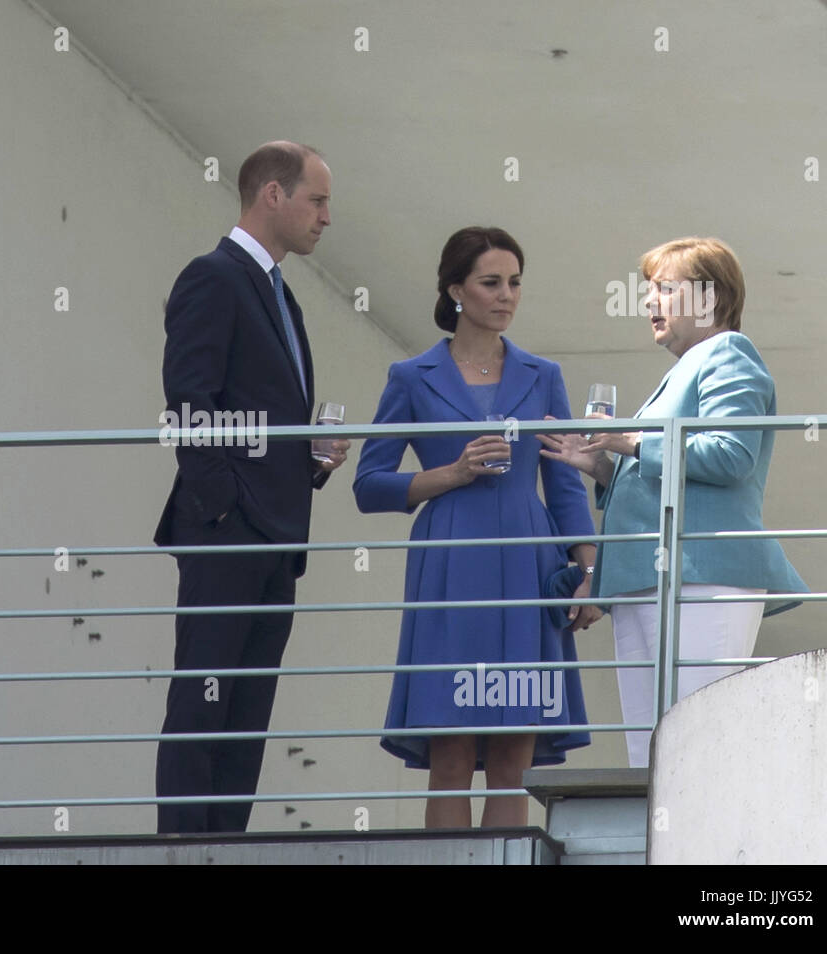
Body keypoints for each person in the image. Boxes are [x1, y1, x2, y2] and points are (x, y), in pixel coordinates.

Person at [353, 227, 599, 829]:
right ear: (456, 289)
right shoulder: (411, 376)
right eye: (492, 282)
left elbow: (565, 483)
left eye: (515, 282)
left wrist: (592, 572)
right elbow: (369, 482)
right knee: (451, 745)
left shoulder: (544, 375)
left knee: (515, 750)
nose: (506, 295)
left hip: (529, 561)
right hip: (450, 559)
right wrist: (453, 472)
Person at [538, 237, 808, 768]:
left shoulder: (729, 351)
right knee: (649, 752)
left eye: (665, 289)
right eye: (649, 291)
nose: (649, 303)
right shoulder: (683, 369)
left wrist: (631, 441)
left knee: (699, 740)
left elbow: (732, 455)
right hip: (645, 576)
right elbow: (670, 466)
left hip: (702, 572)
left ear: (708, 299)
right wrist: (603, 464)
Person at [153, 141, 349, 833]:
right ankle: (181, 848)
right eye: (317, 200)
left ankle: (224, 847)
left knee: (246, 716)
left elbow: (253, 413)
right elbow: (188, 400)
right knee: (203, 705)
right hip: (229, 531)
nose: (327, 216)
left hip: (276, 534)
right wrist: (224, 505)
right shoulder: (215, 277)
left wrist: (309, 459)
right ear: (273, 195)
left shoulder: (279, 293)